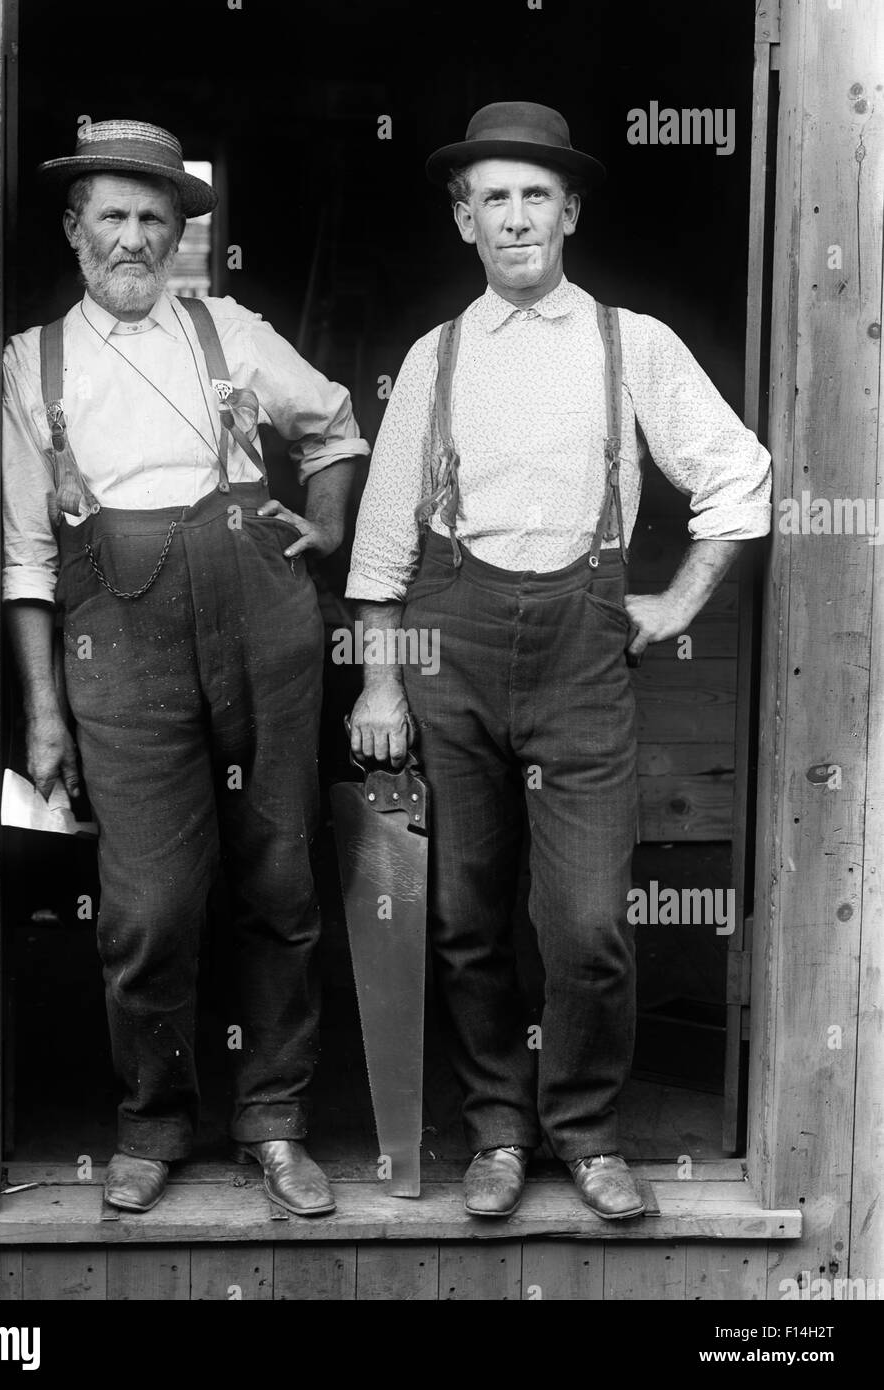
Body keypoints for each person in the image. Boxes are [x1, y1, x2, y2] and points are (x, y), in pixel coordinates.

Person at [346, 102, 771, 1220]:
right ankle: (495, 1129)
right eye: (493, 197)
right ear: (462, 220)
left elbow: (738, 476)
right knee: (466, 914)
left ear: (569, 209)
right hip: (454, 646)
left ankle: (581, 1131)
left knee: (586, 923)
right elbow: (383, 544)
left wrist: (677, 596)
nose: (516, 217)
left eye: (536, 194)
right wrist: (381, 680)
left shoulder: (631, 345)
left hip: (583, 658)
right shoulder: (430, 357)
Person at [3, 119, 370, 1216]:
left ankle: (275, 1120)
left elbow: (340, 427)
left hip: (260, 625)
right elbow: (25, 556)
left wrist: (325, 524)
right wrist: (43, 714)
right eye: (110, 216)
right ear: (74, 231)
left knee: (279, 883)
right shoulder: (32, 363)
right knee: (148, 905)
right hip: (115, 643)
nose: (132, 238)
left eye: (153, 218)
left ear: (178, 234)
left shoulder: (231, 331)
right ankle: (153, 1119)